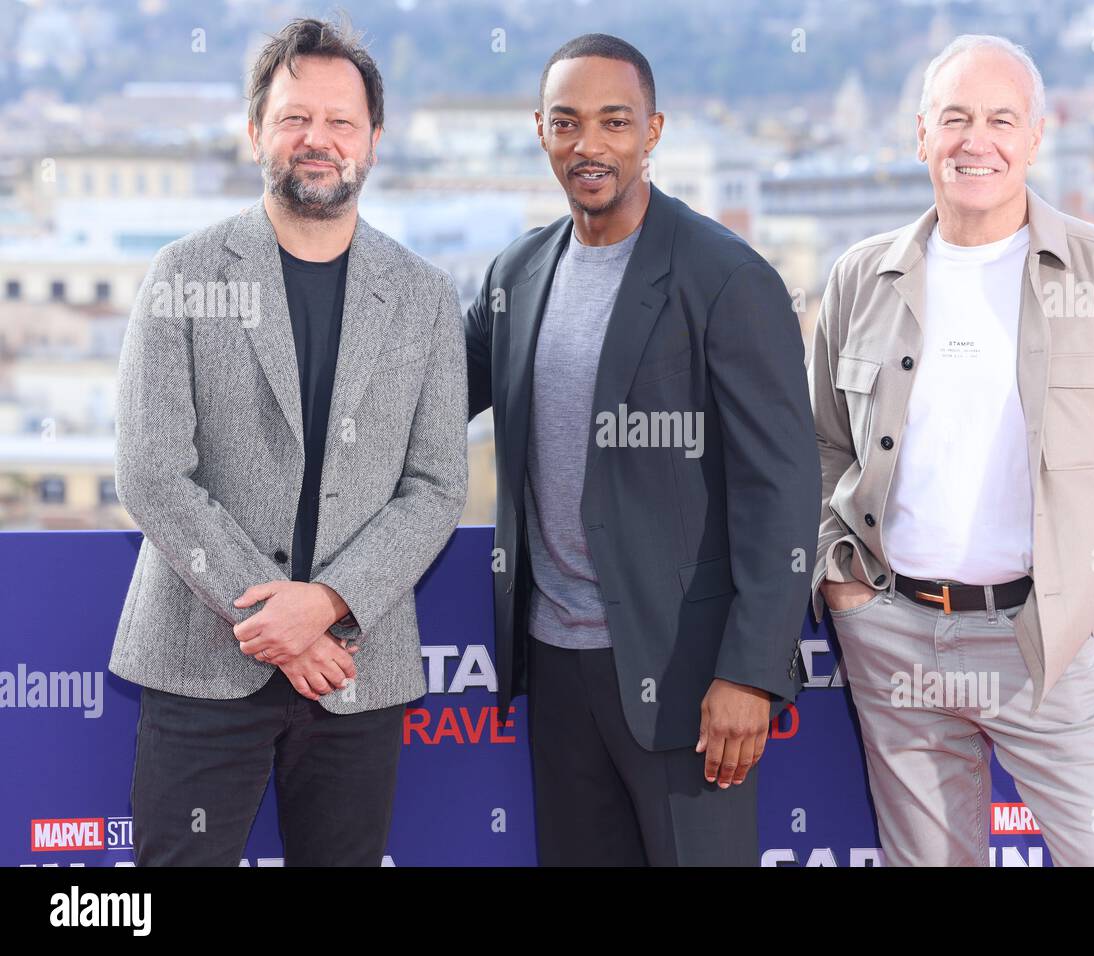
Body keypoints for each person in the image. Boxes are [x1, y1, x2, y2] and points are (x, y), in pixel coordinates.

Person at [809, 34, 1094, 866]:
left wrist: (1092, 606)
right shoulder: (857, 278)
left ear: (1036, 135)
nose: (974, 141)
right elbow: (821, 446)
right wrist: (842, 583)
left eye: (999, 119)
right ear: (921, 134)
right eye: (954, 119)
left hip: (1046, 645)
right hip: (895, 639)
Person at [109, 17, 467, 866]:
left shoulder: (422, 297)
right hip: (202, 661)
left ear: (374, 141)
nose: (319, 140)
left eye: (341, 122)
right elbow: (153, 471)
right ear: (255, 132)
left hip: (356, 672)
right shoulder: (185, 273)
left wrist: (331, 602)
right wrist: (276, 614)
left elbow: (437, 486)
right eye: (295, 117)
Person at [464, 33, 820, 866]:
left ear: (653, 132)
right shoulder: (515, 276)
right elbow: (425, 401)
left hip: (692, 678)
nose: (589, 145)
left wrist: (752, 674)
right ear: (541, 130)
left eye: (614, 122)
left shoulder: (726, 278)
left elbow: (784, 487)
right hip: (556, 667)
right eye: (567, 122)